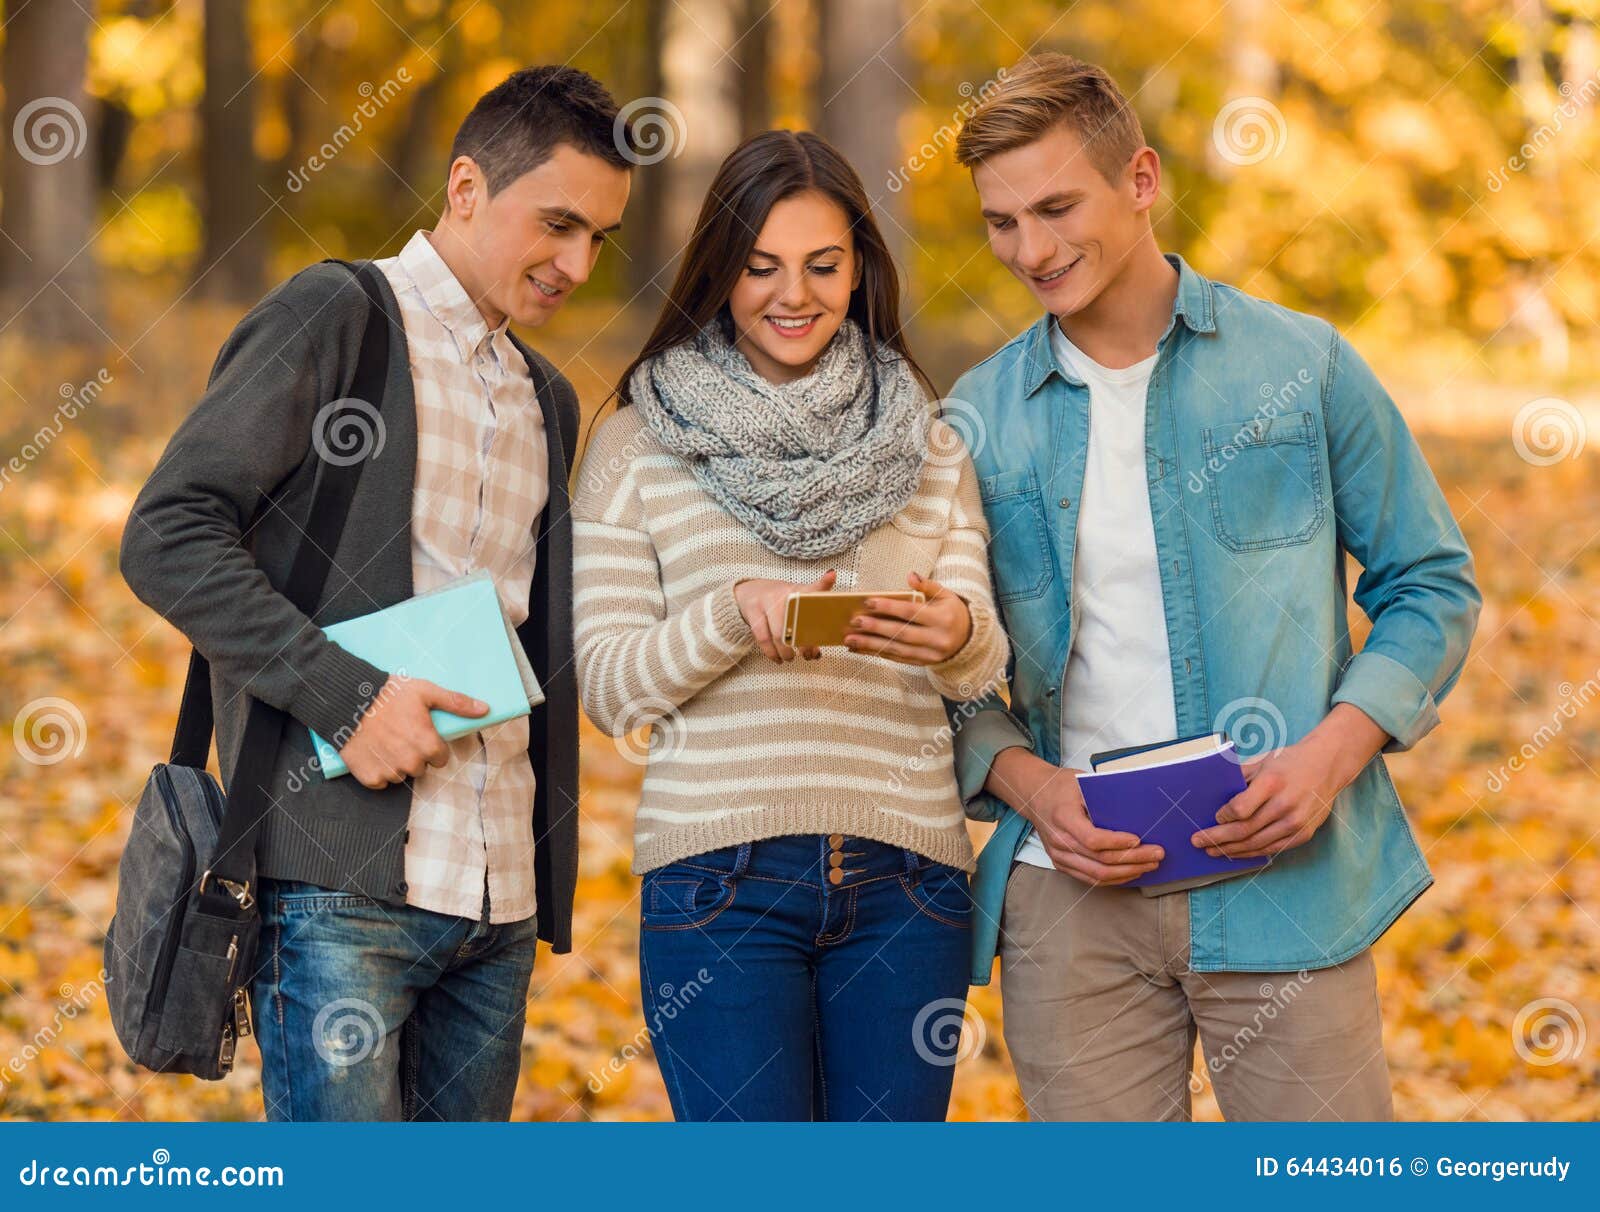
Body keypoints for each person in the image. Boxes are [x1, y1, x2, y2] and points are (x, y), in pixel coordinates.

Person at [944, 53, 1482, 1121]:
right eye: (1002, 223)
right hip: (1070, 903)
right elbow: (950, 667)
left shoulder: (1302, 364)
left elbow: (1429, 583)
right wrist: (1033, 790)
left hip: (1286, 887)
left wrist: (1329, 760)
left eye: (1056, 207)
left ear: (1140, 181)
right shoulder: (972, 414)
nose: (1031, 250)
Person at [119, 66, 635, 1121]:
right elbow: (167, 533)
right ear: (464, 188)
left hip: (495, 901)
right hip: (337, 886)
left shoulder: (545, 395)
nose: (578, 263)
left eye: (601, 239)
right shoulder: (337, 318)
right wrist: (351, 699)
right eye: (558, 225)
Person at [571, 129, 1009, 1121]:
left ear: (860, 269)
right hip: (718, 882)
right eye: (759, 266)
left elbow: (982, 654)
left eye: (822, 265)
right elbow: (606, 688)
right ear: (719, 271)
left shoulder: (927, 436)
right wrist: (732, 616)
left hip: (908, 883)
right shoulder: (637, 439)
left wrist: (954, 636)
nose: (792, 294)